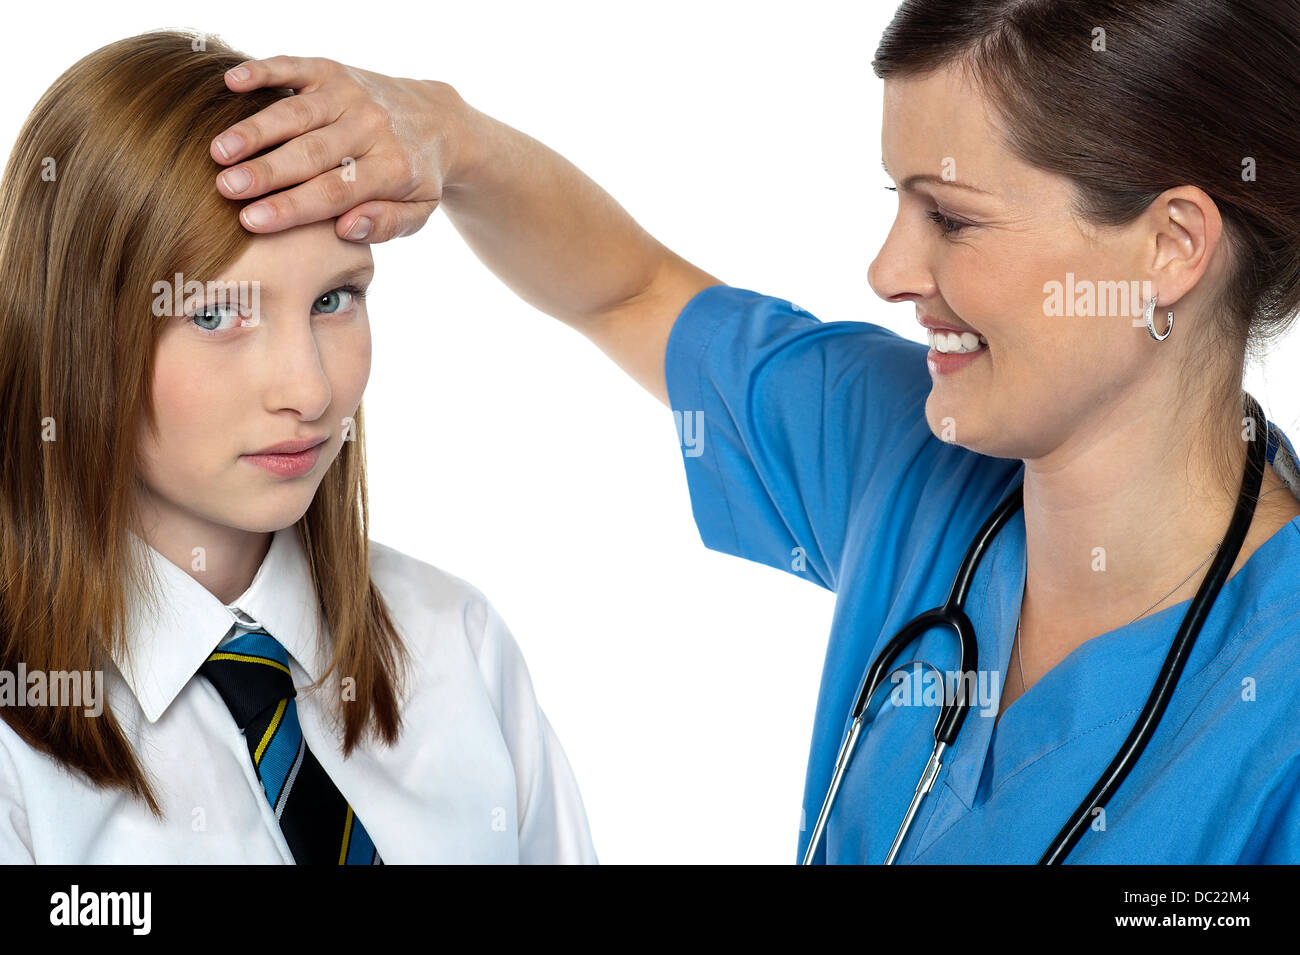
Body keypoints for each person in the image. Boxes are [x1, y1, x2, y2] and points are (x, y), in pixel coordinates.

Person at [205, 0, 1300, 863]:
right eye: (897, 203)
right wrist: (451, 139)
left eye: (951, 217)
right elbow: (625, 291)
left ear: (1169, 246)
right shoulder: (905, 455)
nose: (886, 271)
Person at [0, 31, 596, 864]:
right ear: (71, 337)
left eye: (334, 298)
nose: (311, 391)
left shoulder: (457, 645)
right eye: (215, 314)